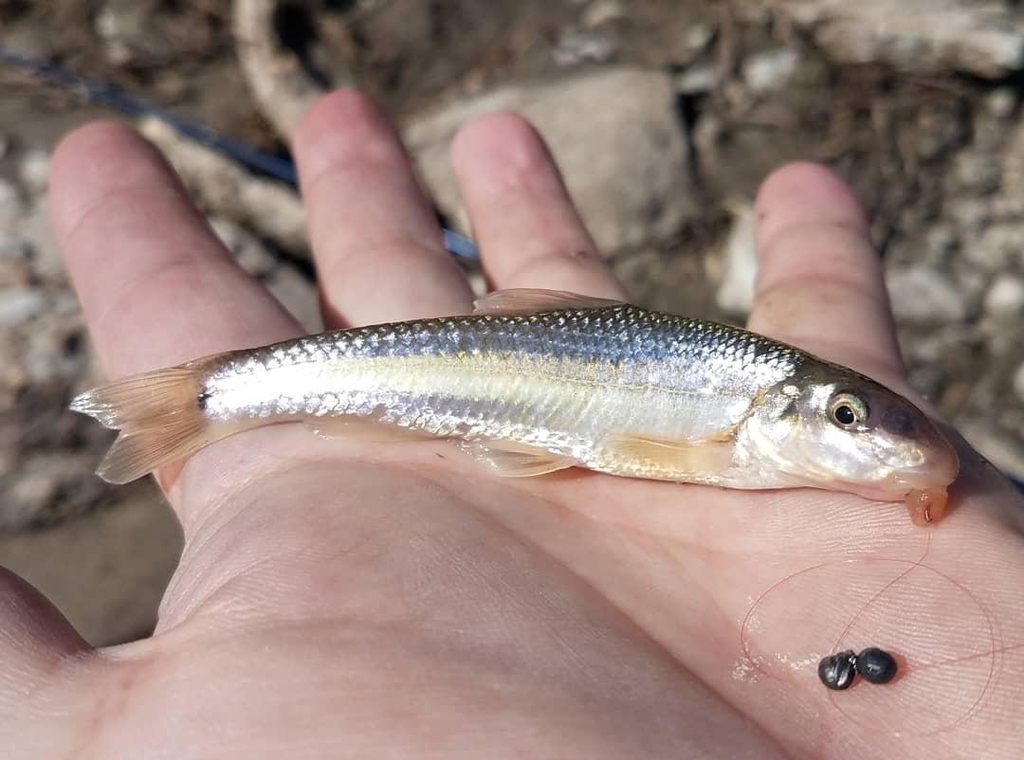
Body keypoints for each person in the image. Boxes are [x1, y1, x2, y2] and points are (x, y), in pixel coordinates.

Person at [2, 90, 1022, 758]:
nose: (871, 438)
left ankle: (210, 397)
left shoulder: (771, 416)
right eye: (847, 415)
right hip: (494, 363)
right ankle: (208, 398)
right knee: (283, 379)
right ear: (797, 409)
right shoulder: (741, 403)